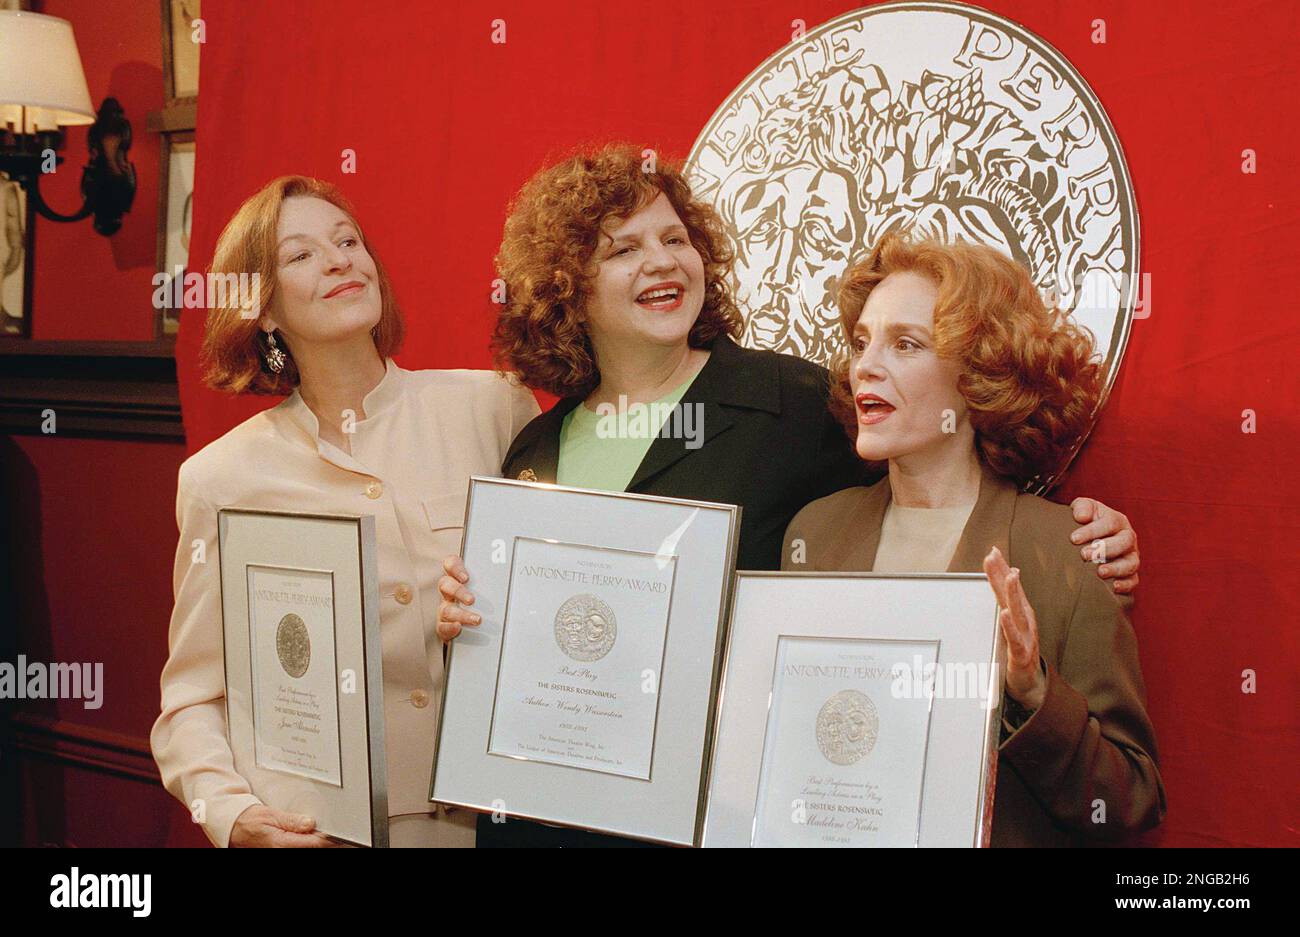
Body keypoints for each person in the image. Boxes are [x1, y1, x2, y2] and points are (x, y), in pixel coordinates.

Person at [437, 144, 1143, 846]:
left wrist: (1085, 539)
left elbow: (948, 482)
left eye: (676, 238)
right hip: (550, 815)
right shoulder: (536, 450)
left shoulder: (798, 409)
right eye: (623, 248)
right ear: (568, 287)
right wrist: (474, 622)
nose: (661, 260)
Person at [150, 176, 539, 847]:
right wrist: (232, 812)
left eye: (348, 241)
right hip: (329, 835)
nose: (338, 260)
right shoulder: (221, 478)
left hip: (498, 823)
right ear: (262, 309)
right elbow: (192, 697)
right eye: (299, 255)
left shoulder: (494, 409)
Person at [782, 231, 1165, 846]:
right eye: (861, 341)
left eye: (904, 344)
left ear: (978, 377)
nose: (865, 365)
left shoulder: (1071, 552)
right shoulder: (814, 532)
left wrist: (1035, 693)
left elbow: (1128, 801)